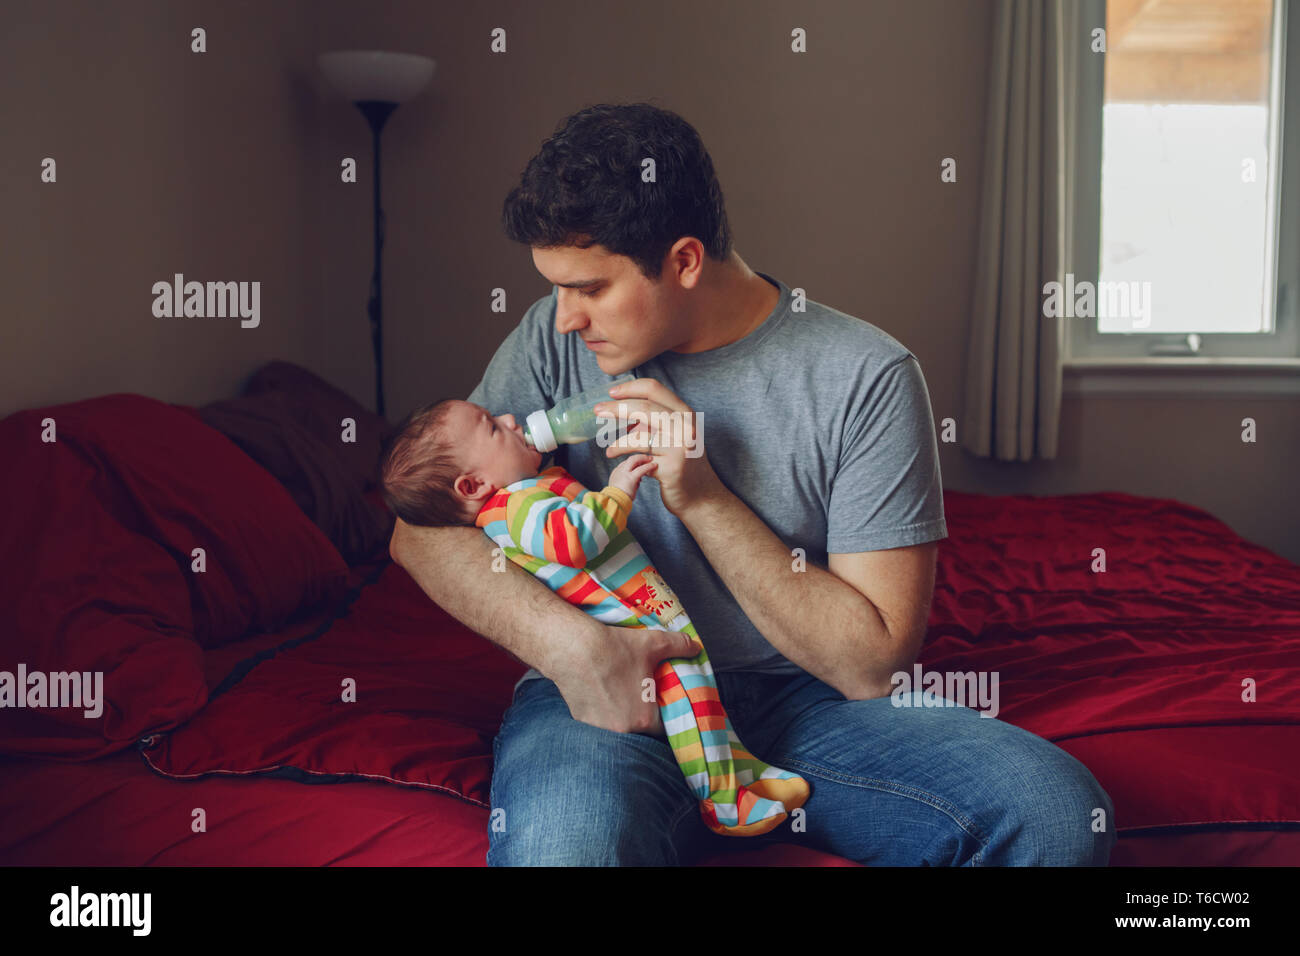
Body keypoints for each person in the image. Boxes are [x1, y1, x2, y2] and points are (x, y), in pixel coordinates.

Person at [388, 102, 1116, 866]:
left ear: (686, 260)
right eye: (556, 288)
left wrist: (701, 498)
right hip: (618, 686)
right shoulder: (549, 339)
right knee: (568, 849)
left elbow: (868, 662)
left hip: (812, 703)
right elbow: (421, 533)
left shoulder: (865, 377)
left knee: (1056, 812)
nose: (565, 317)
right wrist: (573, 649)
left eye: (591, 288)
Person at [377, 397, 810, 835]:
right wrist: (619, 489)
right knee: (692, 702)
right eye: (491, 427)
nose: (510, 419)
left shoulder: (529, 491)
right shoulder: (514, 509)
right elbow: (576, 541)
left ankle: (746, 773)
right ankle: (723, 803)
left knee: (704, 697)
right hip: (633, 630)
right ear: (473, 486)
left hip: (647, 609)